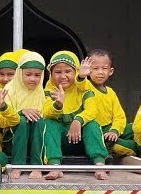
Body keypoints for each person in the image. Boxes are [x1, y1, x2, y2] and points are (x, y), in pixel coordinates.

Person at [40, 51, 108, 181]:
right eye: (58, 72)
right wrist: (58, 104)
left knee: (92, 124)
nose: (63, 76)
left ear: (76, 72)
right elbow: (46, 113)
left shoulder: (84, 90)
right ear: (51, 74)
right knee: (48, 124)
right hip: (61, 143)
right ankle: (54, 166)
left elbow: (93, 110)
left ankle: (99, 165)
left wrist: (78, 120)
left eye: (68, 71)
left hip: (82, 141)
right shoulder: (49, 91)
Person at [77, 49, 136, 158]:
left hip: (111, 128)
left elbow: (119, 116)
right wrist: (81, 76)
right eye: (95, 68)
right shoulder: (86, 87)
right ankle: (135, 148)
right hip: (96, 131)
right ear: (88, 70)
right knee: (123, 145)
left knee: (136, 128)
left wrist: (115, 131)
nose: (100, 72)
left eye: (104, 68)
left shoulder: (111, 92)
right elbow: (79, 84)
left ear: (111, 71)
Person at [2, 51, 48, 180]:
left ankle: (37, 166)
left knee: (39, 121)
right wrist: (21, 111)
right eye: (28, 74)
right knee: (21, 121)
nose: (33, 79)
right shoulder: (9, 89)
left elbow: (43, 113)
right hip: (12, 138)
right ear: (19, 72)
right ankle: (17, 165)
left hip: (33, 137)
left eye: (37, 75)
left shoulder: (40, 91)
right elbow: (4, 118)